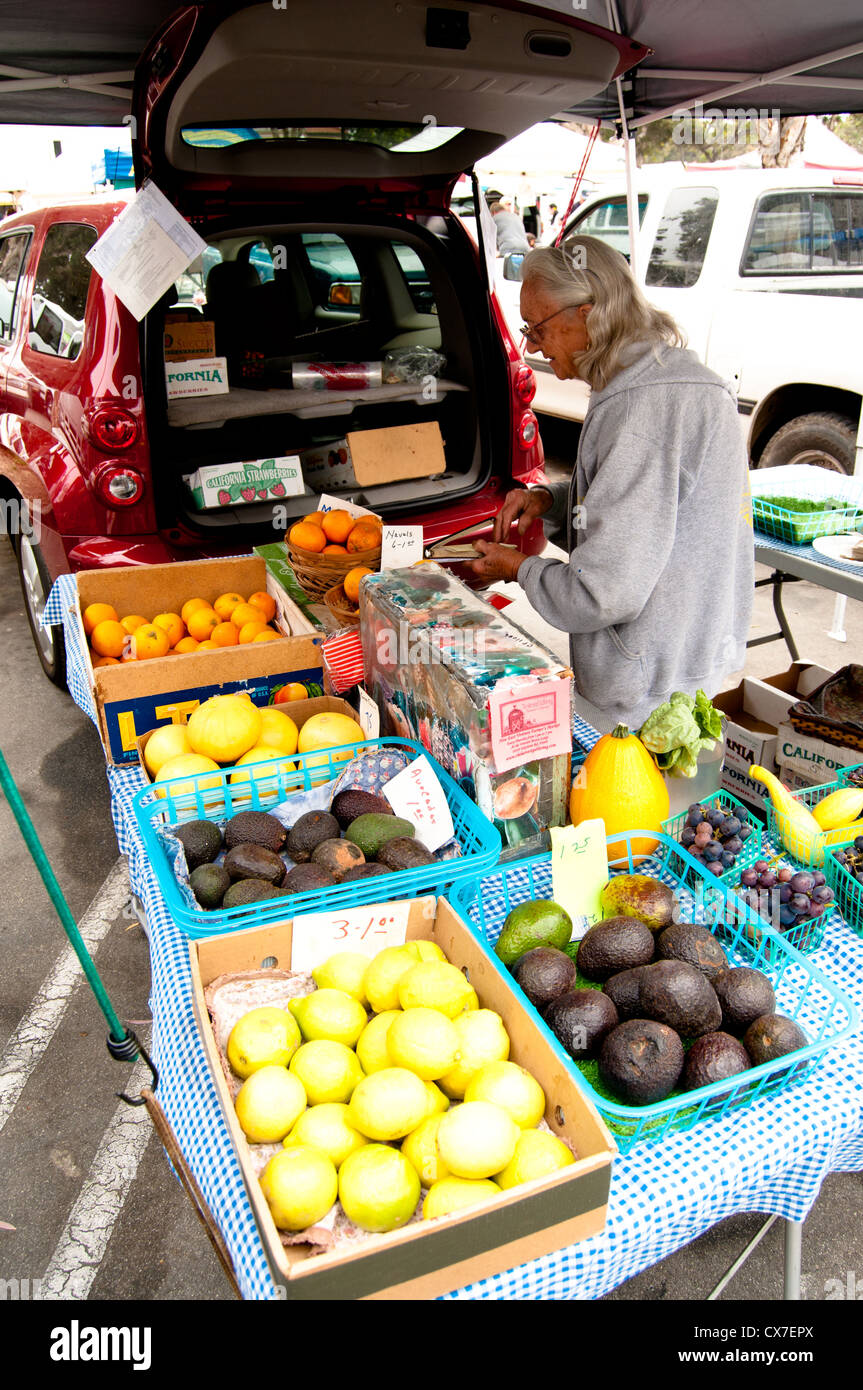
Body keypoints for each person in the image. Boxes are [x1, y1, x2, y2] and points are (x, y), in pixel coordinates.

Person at [469, 235, 754, 733]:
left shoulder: (639, 409)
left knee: (630, 799)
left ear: (588, 312)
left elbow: (602, 592)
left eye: (537, 328)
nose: (530, 345)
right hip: (689, 653)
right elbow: (643, 510)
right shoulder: (673, 378)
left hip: (645, 682)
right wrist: (549, 500)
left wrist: (519, 568)